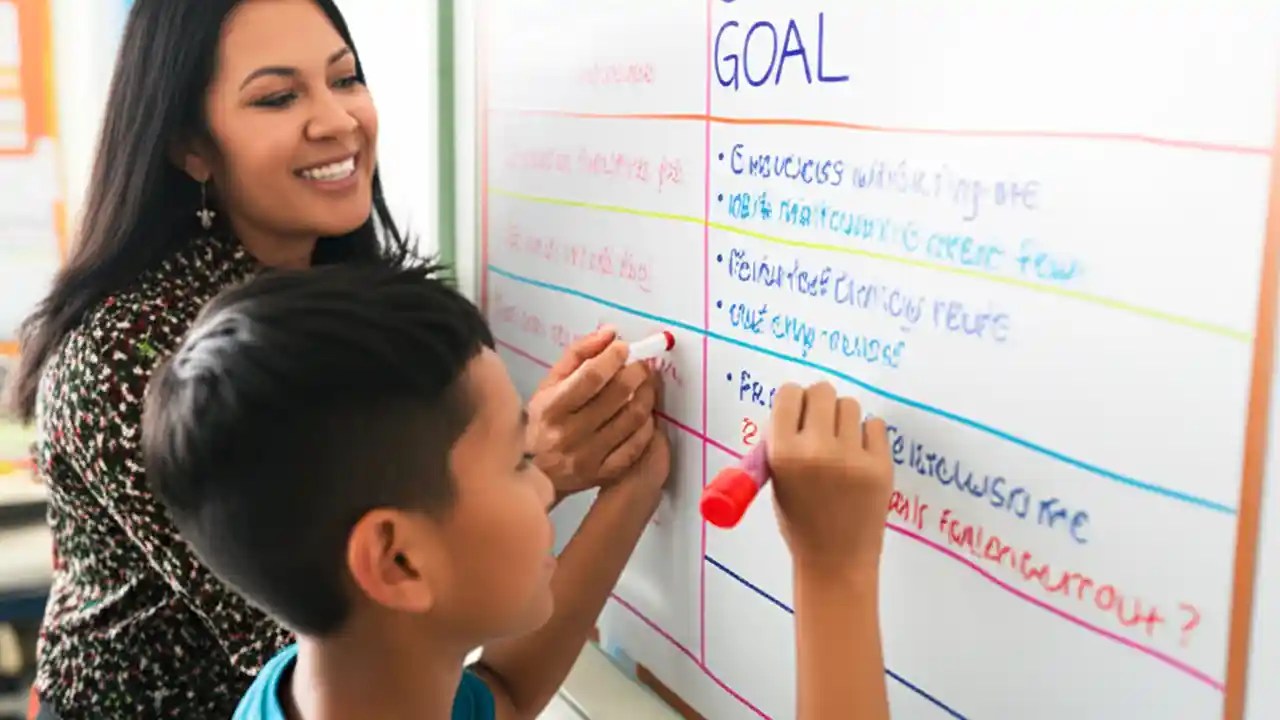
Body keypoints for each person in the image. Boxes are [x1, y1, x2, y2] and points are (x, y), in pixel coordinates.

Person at [2, 1, 657, 717]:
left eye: (344, 80)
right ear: (190, 143)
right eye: (278, 97)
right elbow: (350, 625)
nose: (338, 121)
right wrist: (535, 466)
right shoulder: (143, 358)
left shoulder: (340, 292)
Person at [141, 262, 895, 720]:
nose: (548, 479)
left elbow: (499, 694)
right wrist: (835, 570)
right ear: (399, 562)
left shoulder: (325, 686)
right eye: (518, 461)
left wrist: (633, 487)